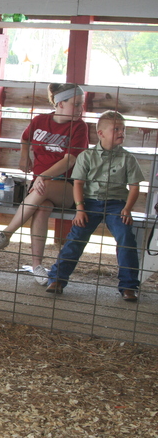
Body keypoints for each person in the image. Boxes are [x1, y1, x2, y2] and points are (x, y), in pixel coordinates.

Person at [0, 84, 89, 285]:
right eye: (76, 105)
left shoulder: (79, 127)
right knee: (42, 208)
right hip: (40, 186)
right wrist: (24, 157)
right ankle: (37, 265)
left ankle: (6, 233)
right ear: (60, 104)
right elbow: (25, 138)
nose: (79, 109)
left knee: (44, 189)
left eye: (81, 105)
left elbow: (70, 160)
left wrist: (42, 177)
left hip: (67, 186)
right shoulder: (40, 120)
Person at [46, 110, 144, 301]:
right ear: (101, 133)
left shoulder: (128, 158)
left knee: (126, 237)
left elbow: (134, 188)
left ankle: (129, 286)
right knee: (76, 237)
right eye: (116, 129)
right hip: (89, 203)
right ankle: (57, 278)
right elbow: (78, 184)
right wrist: (80, 209)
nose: (121, 132)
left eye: (123, 129)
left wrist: (127, 208)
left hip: (116, 204)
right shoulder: (87, 156)